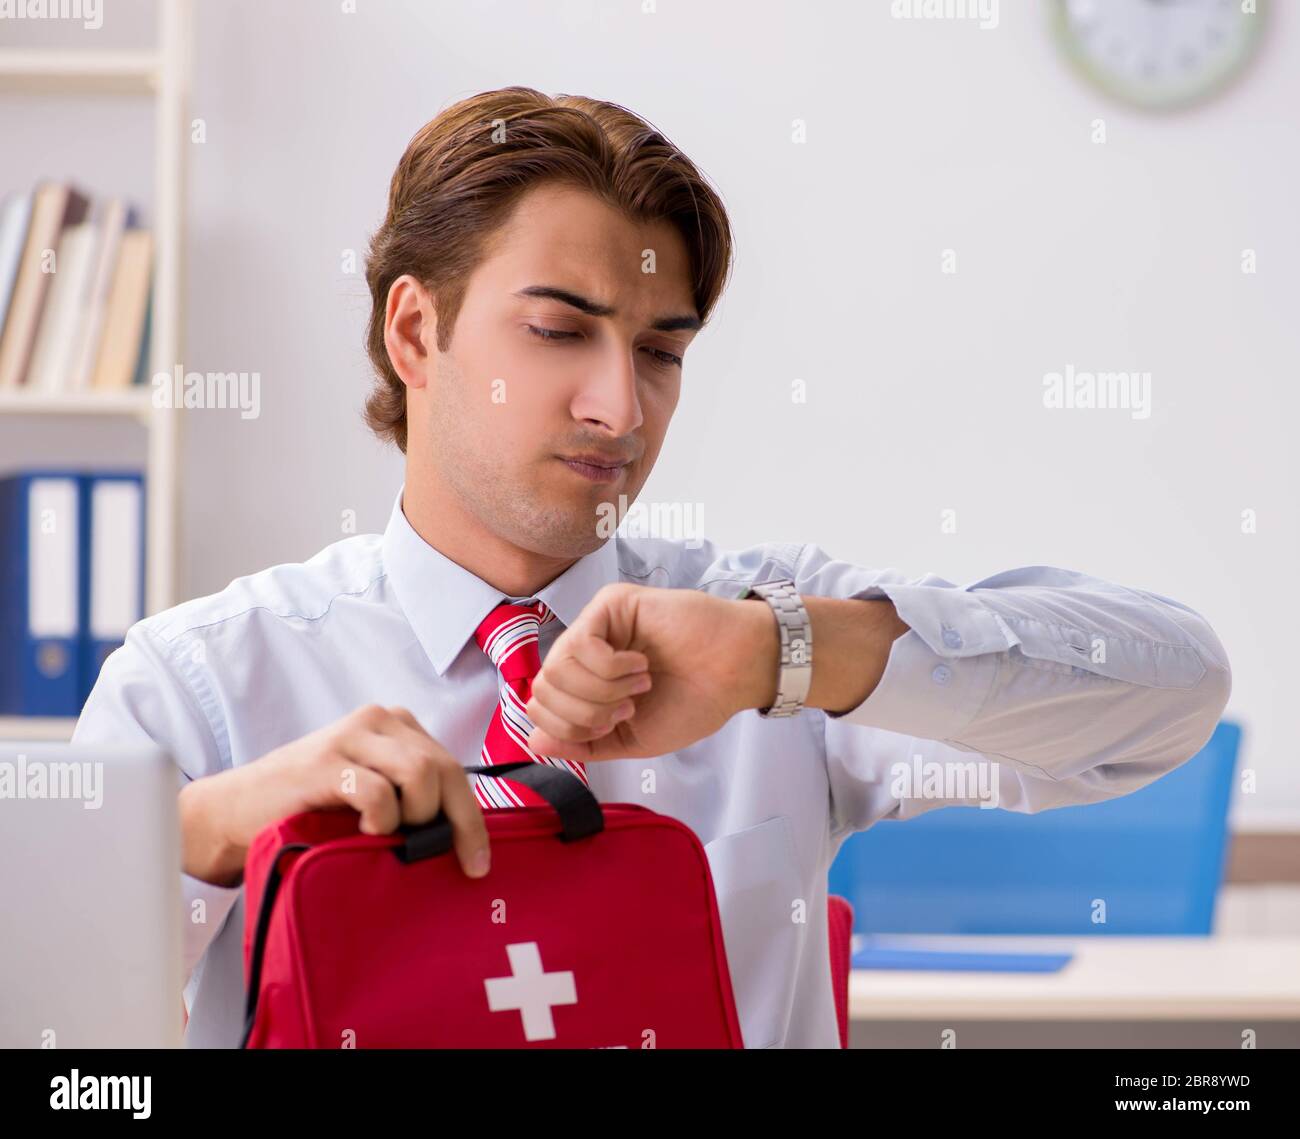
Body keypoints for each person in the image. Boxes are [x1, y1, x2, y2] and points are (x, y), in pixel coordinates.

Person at [73, 86, 1231, 1049]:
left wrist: (785, 654)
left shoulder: (757, 630)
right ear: (415, 332)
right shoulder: (200, 683)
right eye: (559, 330)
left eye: (661, 349)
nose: (620, 407)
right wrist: (204, 835)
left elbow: (1170, 695)